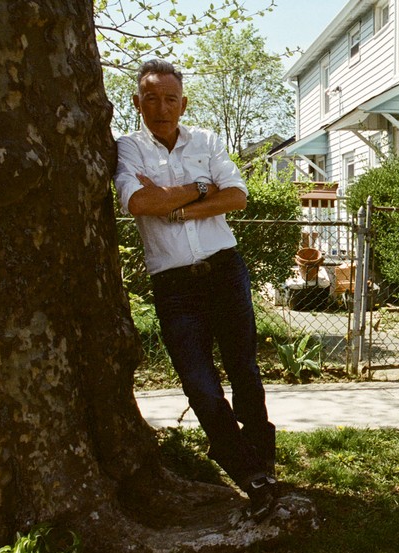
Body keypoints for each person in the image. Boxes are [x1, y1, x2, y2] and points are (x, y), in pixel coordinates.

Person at [114, 58, 278, 520]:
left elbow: (237, 197)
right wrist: (200, 188)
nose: (161, 107)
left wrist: (177, 206)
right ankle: (244, 468)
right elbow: (138, 202)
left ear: (183, 102)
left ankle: (261, 463)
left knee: (244, 369)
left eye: (170, 98)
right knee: (200, 384)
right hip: (174, 287)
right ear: (137, 102)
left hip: (225, 271)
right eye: (151, 98)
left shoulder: (205, 140)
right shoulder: (127, 147)